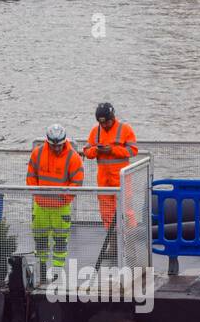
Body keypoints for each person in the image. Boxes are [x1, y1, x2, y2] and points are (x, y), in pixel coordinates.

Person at [27, 124, 84, 277]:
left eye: (59, 145)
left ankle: (58, 269)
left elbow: (77, 182)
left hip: (61, 207)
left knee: (60, 240)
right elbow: (31, 175)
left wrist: (63, 198)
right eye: (53, 145)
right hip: (41, 206)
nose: (57, 148)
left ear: (64, 142)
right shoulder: (37, 154)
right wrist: (36, 194)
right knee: (40, 238)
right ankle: (42, 265)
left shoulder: (73, 157)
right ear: (48, 142)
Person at [83, 101, 138, 231]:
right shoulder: (95, 131)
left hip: (122, 179)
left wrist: (112, 150)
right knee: (106, 212)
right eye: (101, 123)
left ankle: (129, 236)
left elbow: (133, 150)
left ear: (112, 118)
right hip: (104, 180)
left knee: (126, 210)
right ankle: (112, 238)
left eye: (106, 122)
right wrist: (97, 150)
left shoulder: (125, 129)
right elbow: (87, 151)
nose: (104, 125)